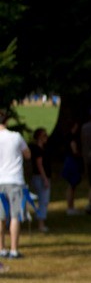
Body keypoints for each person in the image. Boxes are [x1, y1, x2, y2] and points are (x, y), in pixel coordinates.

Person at [0, 110, 30, 258]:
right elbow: (27, 154)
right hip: (14, 179)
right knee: (14, 215)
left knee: (0, 216)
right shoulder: (15, 137)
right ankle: (14, 249)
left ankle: (1, 248)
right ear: (7, 121)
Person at [61, 122, 84, 216]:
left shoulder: (67, 137)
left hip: (69, 160)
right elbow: (74, 151)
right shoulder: (72, 138)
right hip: (72, 162)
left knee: (72, 185)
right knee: (72, 185)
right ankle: (70, 207)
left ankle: (71, 206)